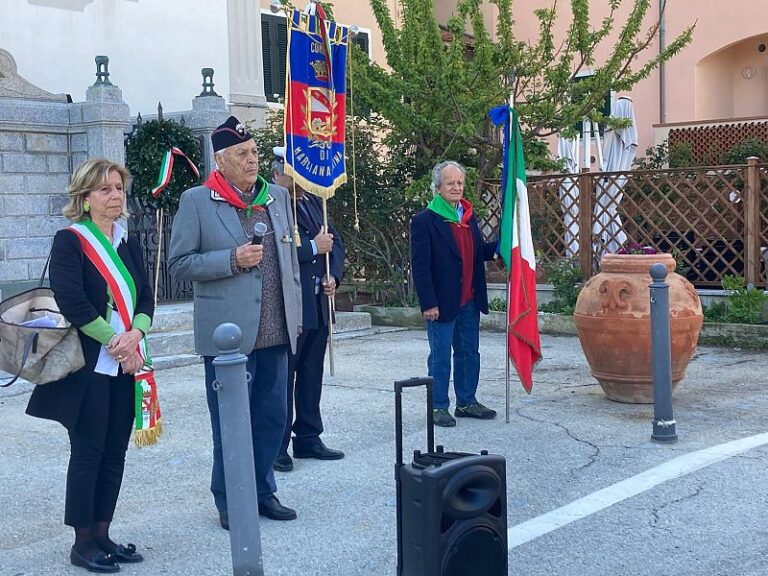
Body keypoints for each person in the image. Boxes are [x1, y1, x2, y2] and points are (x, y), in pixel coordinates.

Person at [168, 116, 302, 527]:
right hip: (229, 337)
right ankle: (229, 499)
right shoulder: (197, 201)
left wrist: (300, 304)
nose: (251, 160)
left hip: (276, 332)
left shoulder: (275, 196)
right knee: (230, 422)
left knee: (271, 419)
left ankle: (263, 491)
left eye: (255, 152)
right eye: (242, 154)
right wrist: (231, 259)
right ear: (221, 160)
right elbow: (178, 264)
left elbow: (290, 256)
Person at [26, 158, 153, 573]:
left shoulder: (128, 240)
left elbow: (147, 298)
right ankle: (82, 543)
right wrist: (114, 339)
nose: (115, 195)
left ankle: (103, 533)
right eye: (104, 189)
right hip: (87, 366)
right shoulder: (71, 241)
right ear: (84, 198)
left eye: (118, 187)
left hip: (126, 362)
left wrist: (135, 335)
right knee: (88, 452)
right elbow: (73, 301)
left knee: (115, 450)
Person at [270, 150, 345, 473]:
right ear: (277, 175)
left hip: (316, 301)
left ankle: (308, 436)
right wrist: (314, 248)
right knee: (284, 377)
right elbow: (279, 251)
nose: (300, 182)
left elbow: (335, 242)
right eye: (293, 175)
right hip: (291, 304)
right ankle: (277, 444)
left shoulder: (311, 201)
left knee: (311, 374)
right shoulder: (271, 204)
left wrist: (333, 275)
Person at [410, 160, 498, 428]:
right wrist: (428, 302)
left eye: (459, 183)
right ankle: (437, 405)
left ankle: (467, 401)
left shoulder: (468, 217)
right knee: (440, 355)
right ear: (438, 188)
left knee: (469, 352)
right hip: (442, 302)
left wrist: (503, 245)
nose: (456, 187)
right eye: (450, 183)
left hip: (469, 299)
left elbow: (477, 252)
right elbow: (421, 266)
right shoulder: (425, 221)